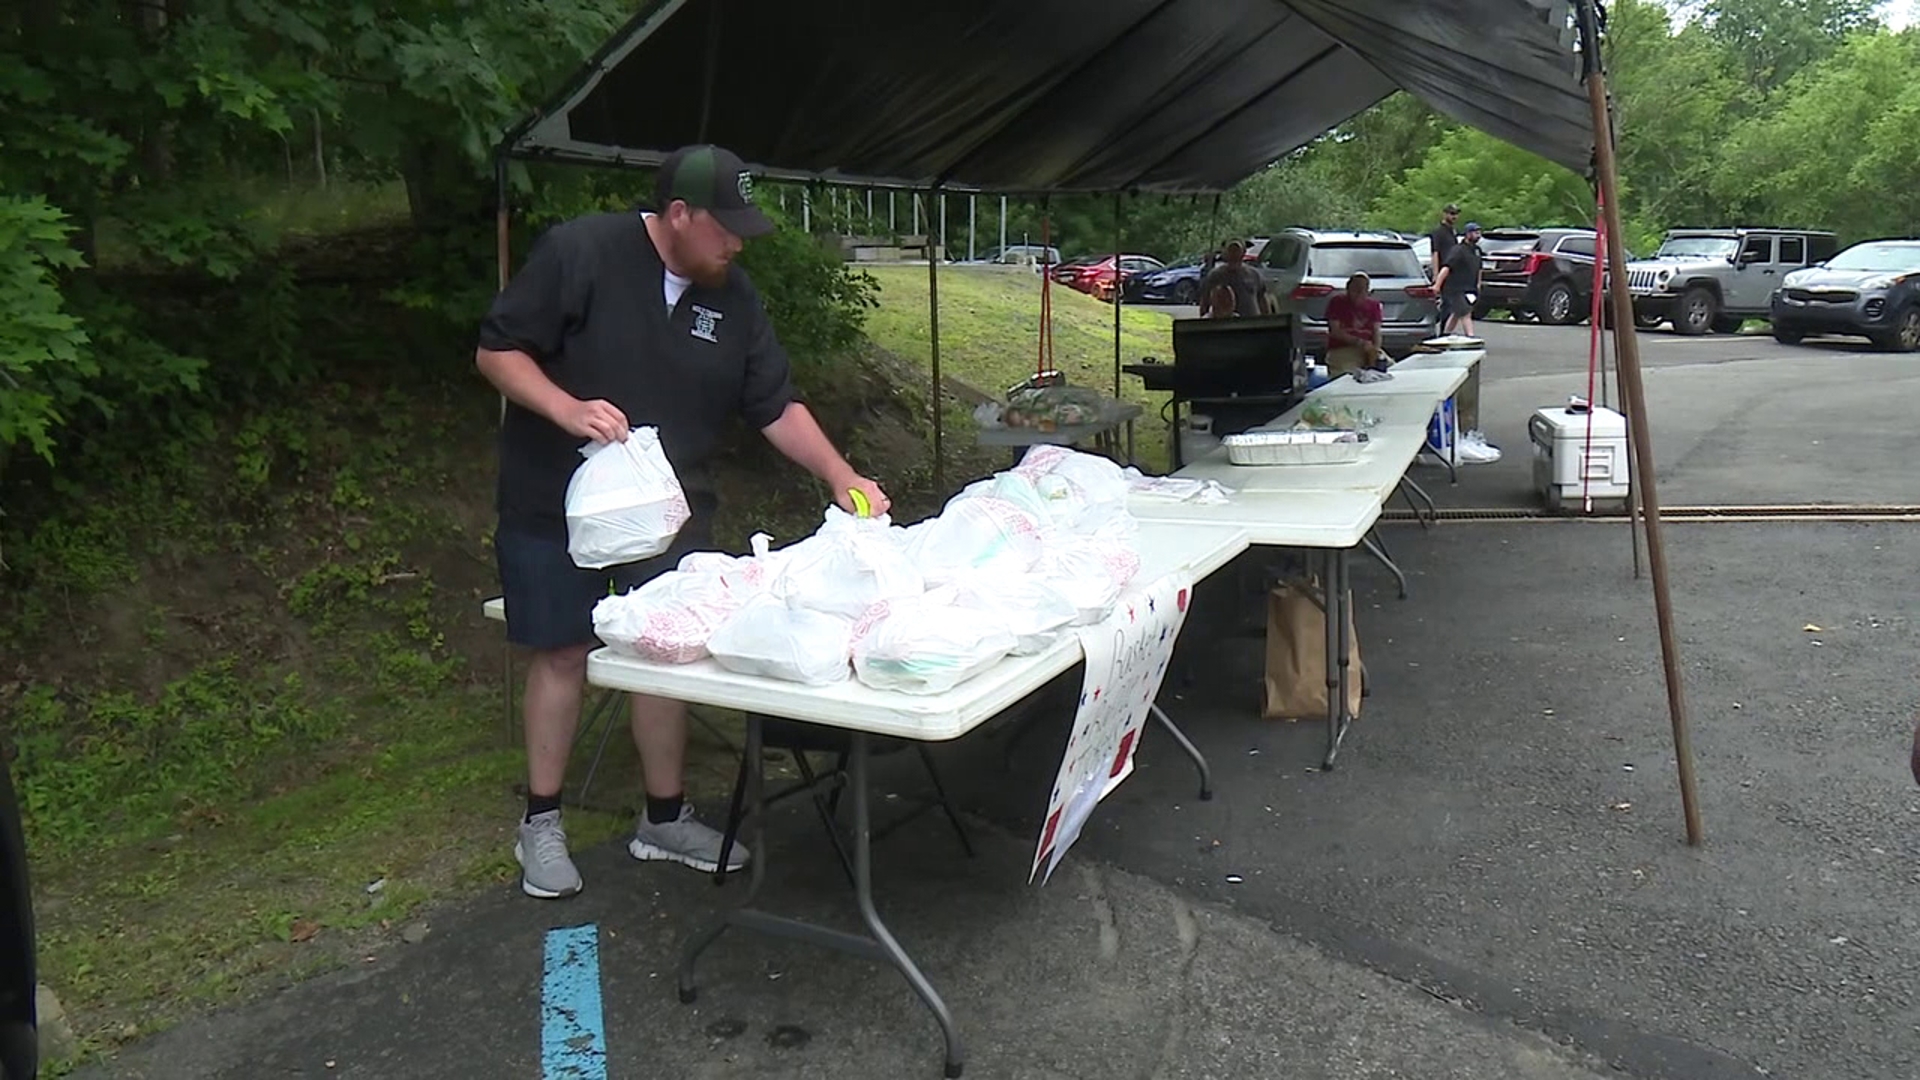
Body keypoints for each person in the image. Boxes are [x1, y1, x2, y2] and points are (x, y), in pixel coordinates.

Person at [475, 143, 890, 900]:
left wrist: (840, 474)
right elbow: (498, 352)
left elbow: (774, 404)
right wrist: (567, 409)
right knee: (562, 651)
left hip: (669, 511)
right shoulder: (582, 253)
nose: (736, 245)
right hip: (555, 502)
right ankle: (541, 821)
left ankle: (663, 818)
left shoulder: (733, 299)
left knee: (662, 649)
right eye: (724, 229)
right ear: (677, 214)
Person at [1322, 272, 1386, 376]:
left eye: (1363, 290)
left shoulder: (1374, 305)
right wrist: (1359, 342)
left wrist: (1375, 349)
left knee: (1389, 368)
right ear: (1348, 289)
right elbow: (1335, 331)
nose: (1359, 293)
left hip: (1367, 349)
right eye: (1355, 289)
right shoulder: (1337, 302)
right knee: (1347, 373)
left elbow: (1376, 331)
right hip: (1342, 349)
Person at [1195, 240, 1273, 318]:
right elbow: (1205, 301)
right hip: (1227, 322)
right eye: (1231, 250)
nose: (1234, 254)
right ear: (1226, 253)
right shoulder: (1216, 275)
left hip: (1251, 322)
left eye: (1237, 250)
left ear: (1243, 252)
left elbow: (1262, 299)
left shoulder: (1254, 274)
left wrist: (1266, 319)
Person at [1434, 221, 1484, 336]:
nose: (1478, 235)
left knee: (1457, 313)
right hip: (1456, 288)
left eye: (1479, 232)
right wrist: (1437, 285)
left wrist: (1478, 284)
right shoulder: (1458, 250)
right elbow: (1446, 267)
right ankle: (1470, 336)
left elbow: (1479, 269)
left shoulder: (1477, 250)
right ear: (1467, 234)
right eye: (1475, 232)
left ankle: (1446, 334)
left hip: (1470, 288)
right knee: (1465, 313)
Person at [1428, 203, 1461, 321]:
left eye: (1456, 214)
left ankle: (1443, 327)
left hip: (1453, 272)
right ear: (1445, 214)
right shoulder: (1439, 232)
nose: (1454, 216)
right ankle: (1441, 328)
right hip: (1443, 271)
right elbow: (1435, 252)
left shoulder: (1452, 231)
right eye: (1452, 214)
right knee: (1446, 303)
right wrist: (1436, 274)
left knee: (1451, 304)